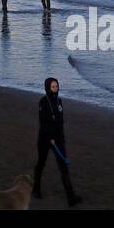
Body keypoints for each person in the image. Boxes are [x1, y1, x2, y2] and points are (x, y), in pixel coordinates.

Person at [33, 77, 81, 206]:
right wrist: (50, 138)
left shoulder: (59, 101)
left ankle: (71, 198)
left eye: (57, 86)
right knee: (41, 163)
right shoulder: (43, 102)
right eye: (53, 87)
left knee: (64, 167)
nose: (55, 89)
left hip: (59, 140)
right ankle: (36, 189)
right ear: (48, 88)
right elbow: (43, 123)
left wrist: (61, 138)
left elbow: (60, 122)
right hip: (45, 139)